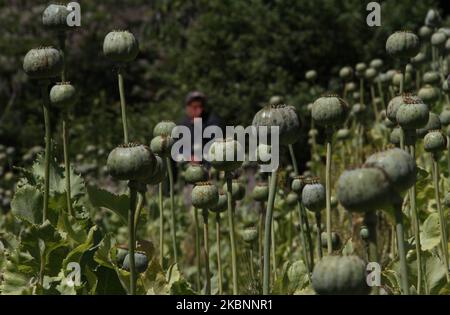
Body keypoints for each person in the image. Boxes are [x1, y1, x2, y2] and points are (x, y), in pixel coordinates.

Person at [178, 91, 223, 162]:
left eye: (201, 106)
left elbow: (216, 146)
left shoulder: (212, 121)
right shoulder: (183, 124)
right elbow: (178, 148)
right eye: (195, 107)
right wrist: (188, 157)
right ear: (187, 108)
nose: (199, 110)